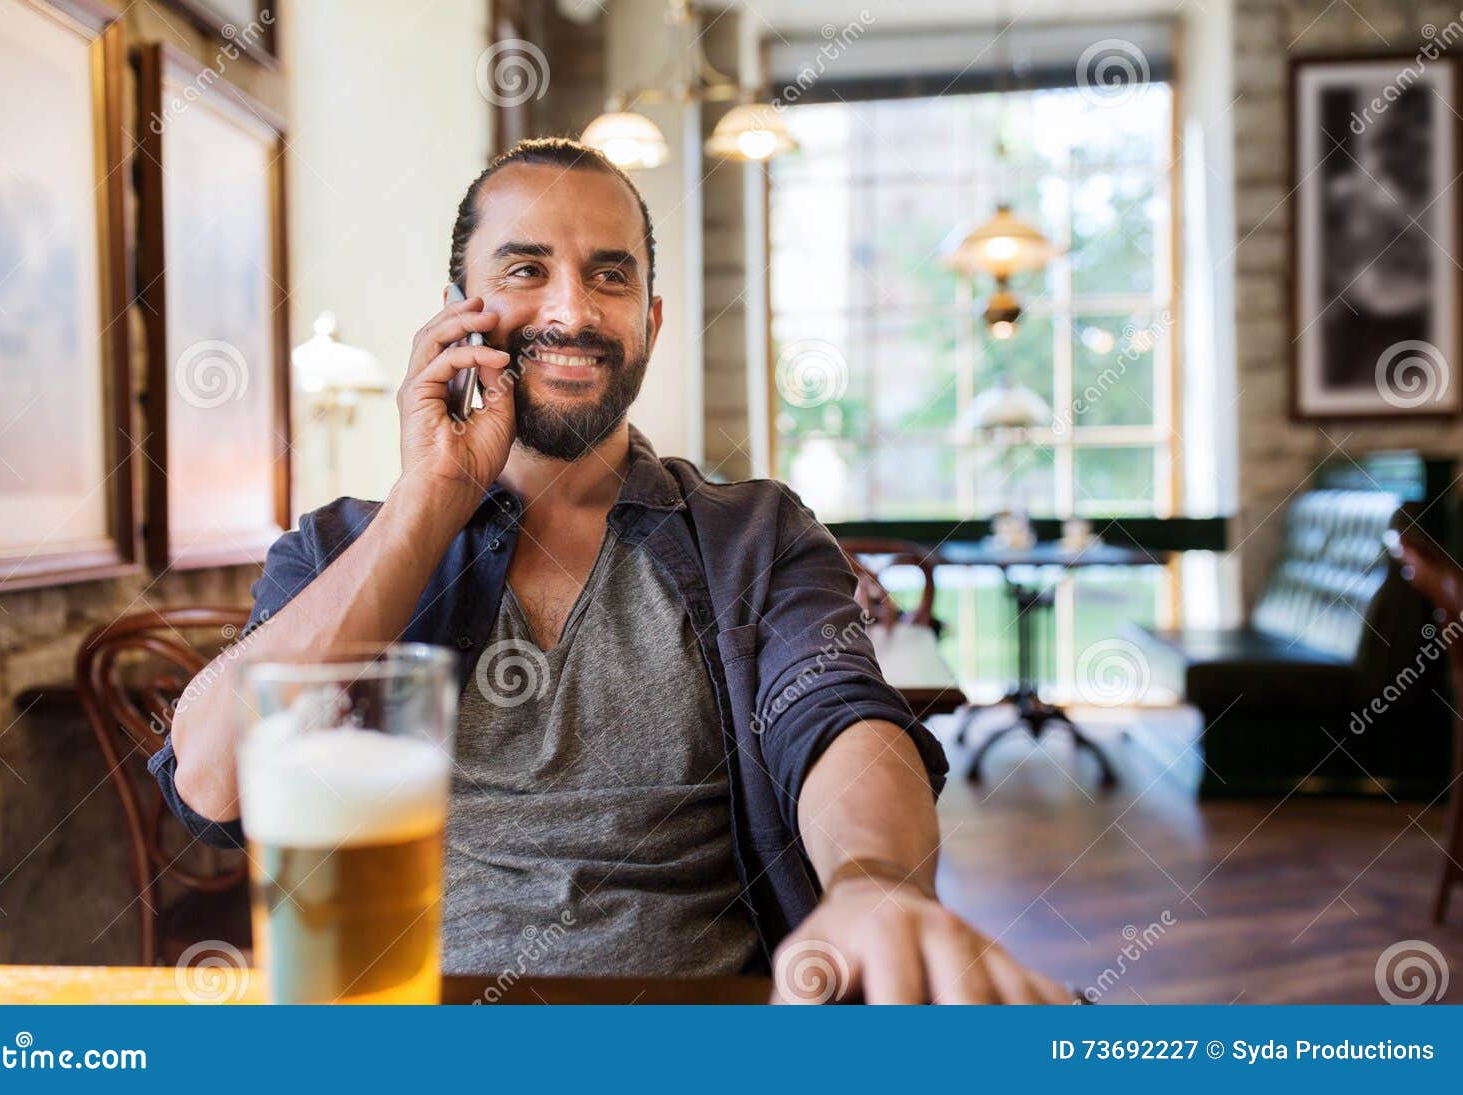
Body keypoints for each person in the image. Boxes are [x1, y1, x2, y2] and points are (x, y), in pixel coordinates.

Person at [153, 137, 1070, 1004]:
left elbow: (837, 721)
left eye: (610, 275)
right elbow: (213, 783)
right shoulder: (338, 548)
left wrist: (873, 879)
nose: (572, 311)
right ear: (455, 310)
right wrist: (431, 497)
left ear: (651, 320)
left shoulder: (755, 534)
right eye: (524, 270)